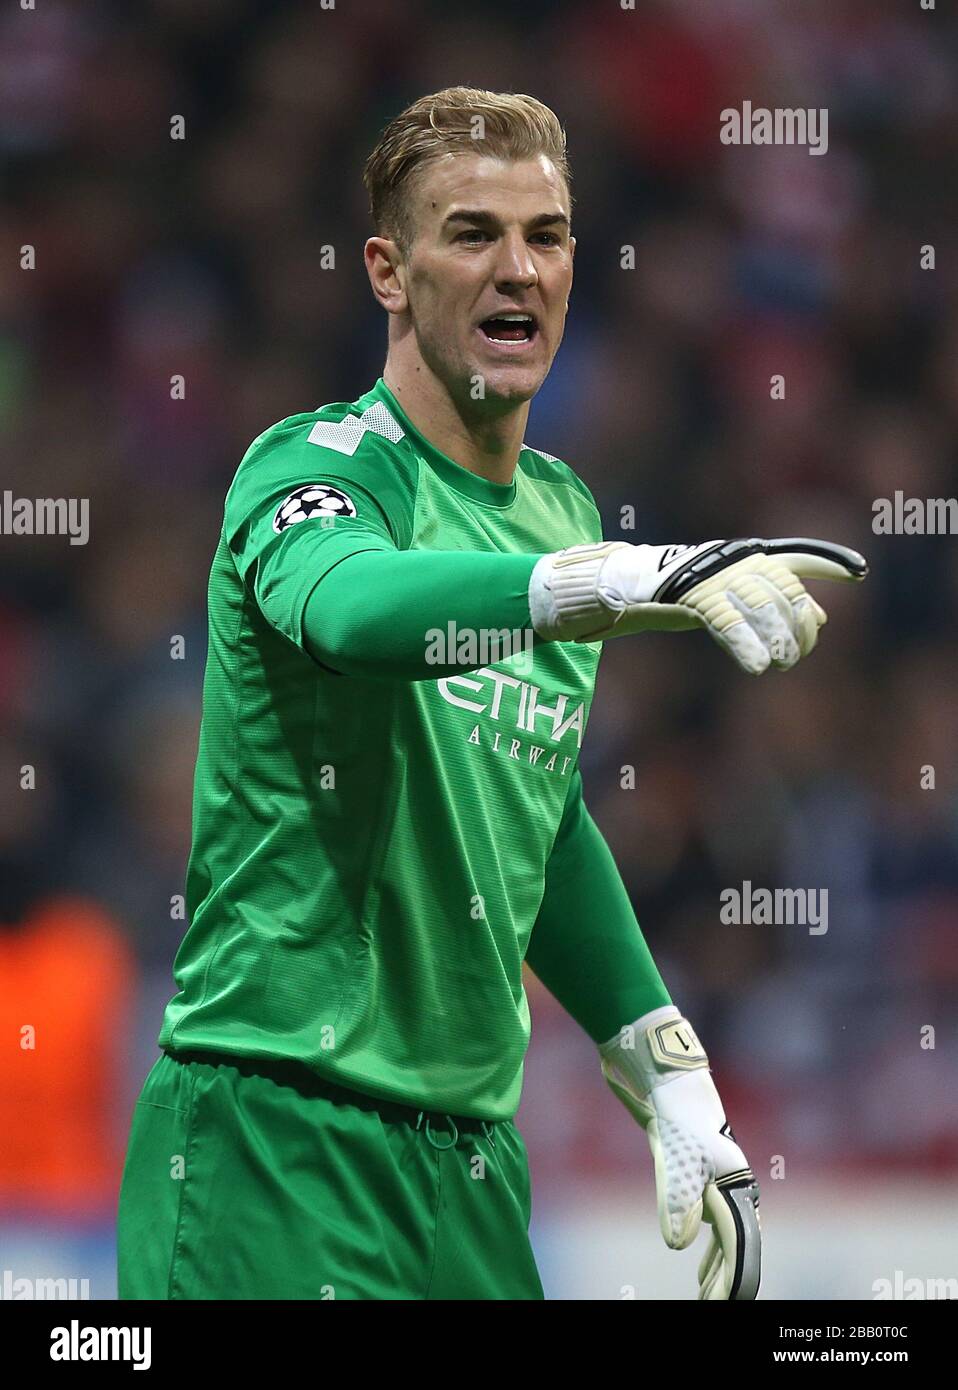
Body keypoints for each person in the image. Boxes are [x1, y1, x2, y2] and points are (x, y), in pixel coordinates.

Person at [116, 86, 865, 1301]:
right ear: (388, 270)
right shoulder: (309, 471)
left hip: (468, 1165)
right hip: (275, 1133)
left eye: (547, 235)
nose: (517, 268)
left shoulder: (557, 511)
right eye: (470, 233)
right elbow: (355, 612)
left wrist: (662, 1062)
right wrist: (610, 580)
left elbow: (535, 803)